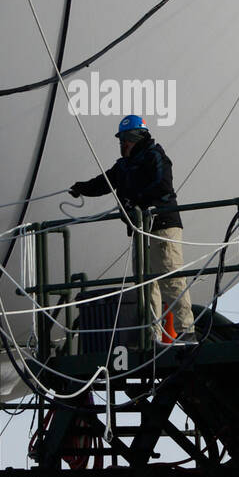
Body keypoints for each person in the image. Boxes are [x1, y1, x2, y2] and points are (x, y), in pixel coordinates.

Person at [70, 116, 194, 344]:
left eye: (126, 138)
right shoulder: (124, 166)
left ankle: (186, 330)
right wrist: (81, 188)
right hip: (141, 231)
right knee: (146, 284)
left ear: (138, 137)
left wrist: (135, 201)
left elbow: (162, 185)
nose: (123, 143)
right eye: (121, 139)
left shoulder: (155, 156)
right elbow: (104, 182)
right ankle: (152, 335)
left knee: (170, 276)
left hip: (162, 226)